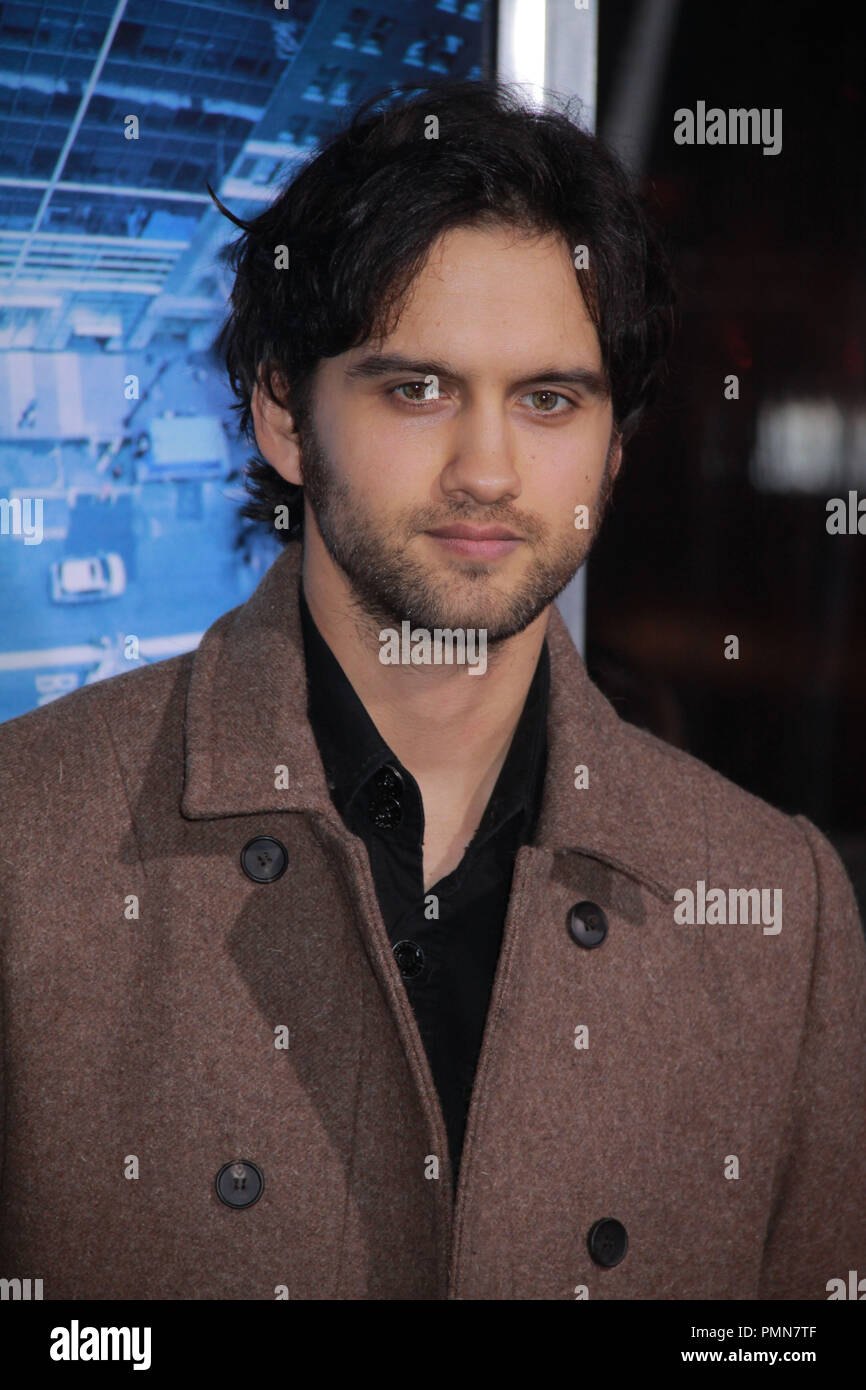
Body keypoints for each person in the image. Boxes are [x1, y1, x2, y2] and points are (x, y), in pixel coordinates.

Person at [1, 80, 863, 1302]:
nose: (488, 470)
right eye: (416, 390)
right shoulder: (24, 844)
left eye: (548, 400)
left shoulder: (780, 905)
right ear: (284, 419)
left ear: (611, 453)